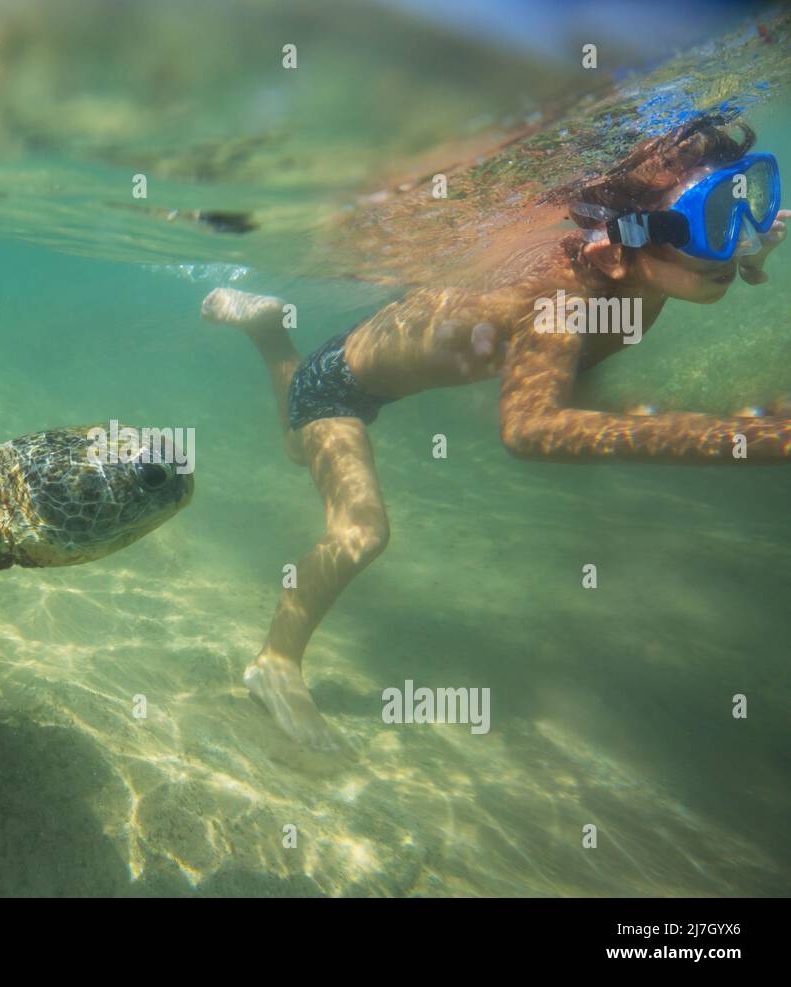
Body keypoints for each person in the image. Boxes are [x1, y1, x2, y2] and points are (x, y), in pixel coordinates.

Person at [201, 114, 788, 749]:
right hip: (338, 386)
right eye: (712, 221)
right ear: (619, 243)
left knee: (299, 442)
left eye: (742, 204)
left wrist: (744, 246)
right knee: (357, 528)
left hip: (372, 351)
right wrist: (750, 437)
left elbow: (699, 266)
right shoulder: (560, 301)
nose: (738, 236)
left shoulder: (639, 264)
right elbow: (529, 428)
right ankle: (276, 661)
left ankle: (265, 329)